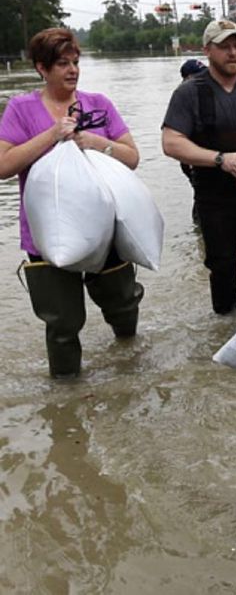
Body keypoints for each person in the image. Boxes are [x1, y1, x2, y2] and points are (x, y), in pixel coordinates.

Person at [0, 28, 144, 378]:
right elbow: (4, 166)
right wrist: (52, 135)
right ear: (41, 68)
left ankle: (132, 370)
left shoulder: (99, 104)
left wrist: (92, 141)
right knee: (62, 324)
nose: (72, 70)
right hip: (47, 238)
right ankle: (65, 401)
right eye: (62, 63)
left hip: (105, 231)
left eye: (76, 62)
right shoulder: (21, 109)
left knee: (123, 307)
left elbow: (132, 157)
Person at [162, 20, 236, 314]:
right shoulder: (191, 92)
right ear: (208, 51)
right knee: (223, 263)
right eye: (224, 47)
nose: (233, 52)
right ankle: (224, 325)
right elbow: (171, 143)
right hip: (214, 196)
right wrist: (220, 159)